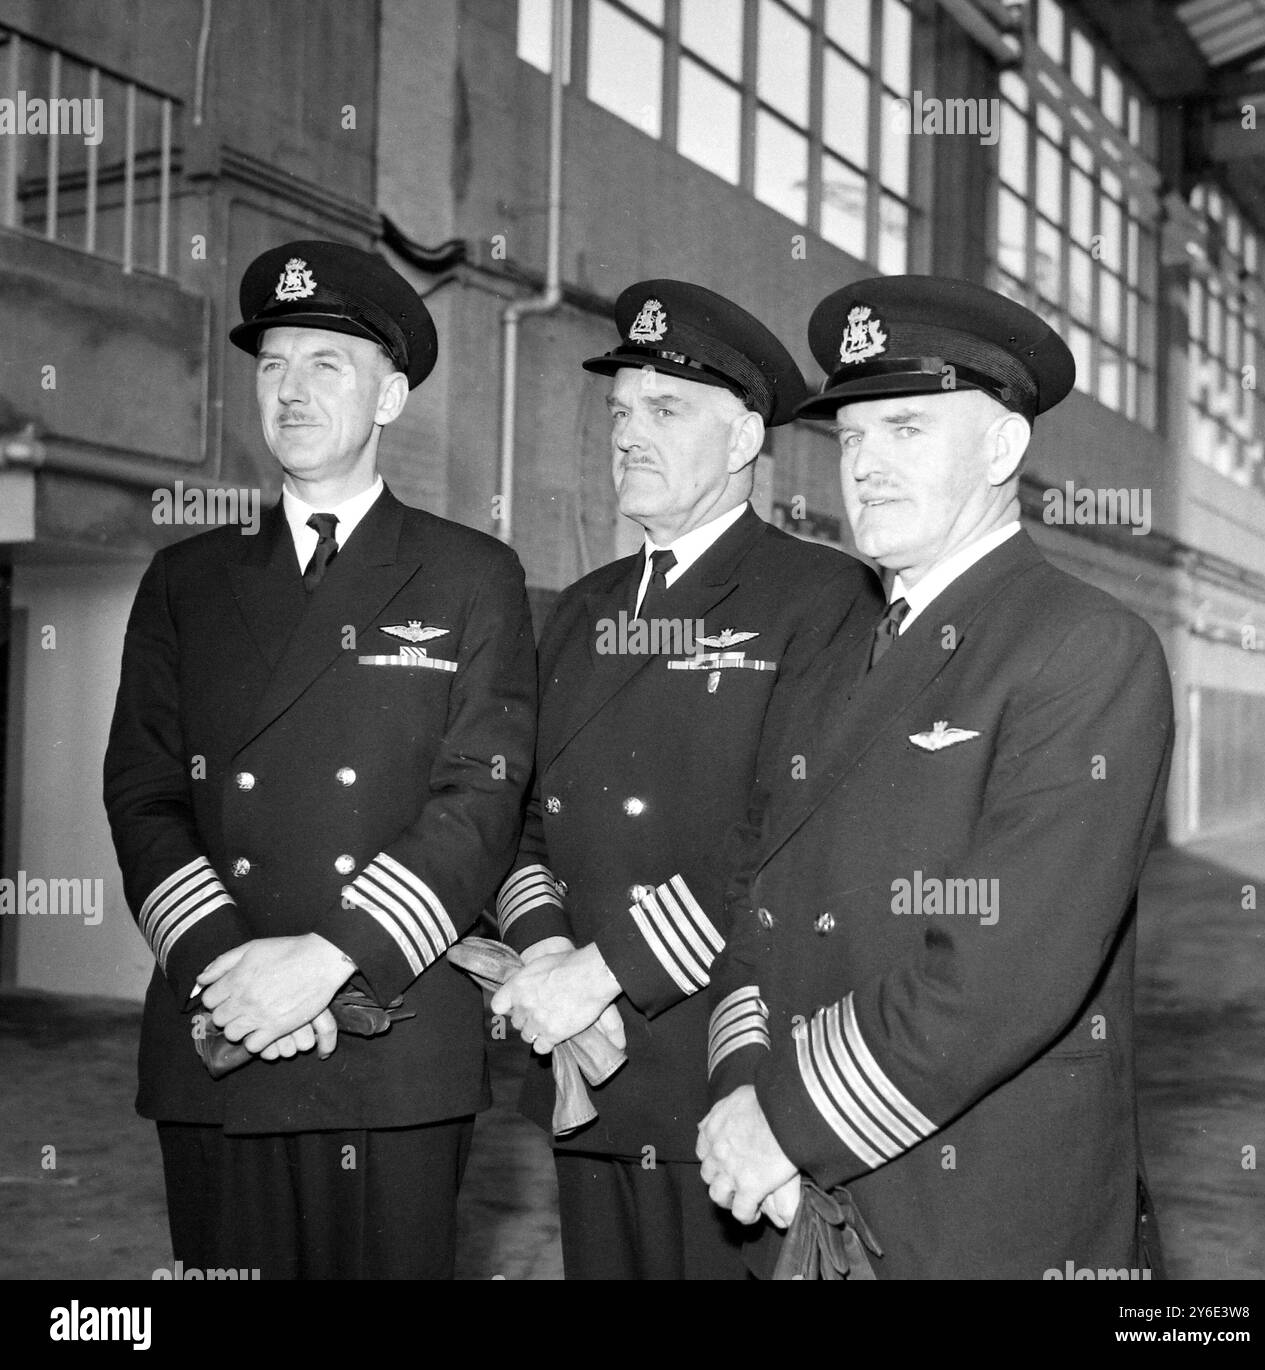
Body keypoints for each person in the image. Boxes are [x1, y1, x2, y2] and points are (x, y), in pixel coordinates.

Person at [697, 275, 1174, 1280]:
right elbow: (758, 899)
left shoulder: (1084, 647)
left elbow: (1003, 970)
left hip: (969, 1220)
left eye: (906, 429)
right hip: (799, 1192)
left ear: (1002, 448)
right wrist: (743, 1092)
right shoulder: (832, 652)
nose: (863, 467)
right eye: (852, 438)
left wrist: (785, 1117)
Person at [103, 240, 536, 1279]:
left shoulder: (470, 573)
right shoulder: (185, 579)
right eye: (272, 365)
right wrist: (230, 971)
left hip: (386, 1033)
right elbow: (145, 789)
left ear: (390, 398)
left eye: (325, 365)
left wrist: (324, 960)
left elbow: (479, 796)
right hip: (222, 1030)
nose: (291, 390)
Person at [489, 279, 883, 1279]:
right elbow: (523, 820)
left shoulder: (821, 595)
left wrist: (601, 967)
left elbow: (789, 841)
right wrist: (543, 957)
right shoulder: (581, 607)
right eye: (620, 411)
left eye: (664, 410)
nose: (626, 433)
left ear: (747, 436)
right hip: (587, 1067)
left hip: (719, 1077)